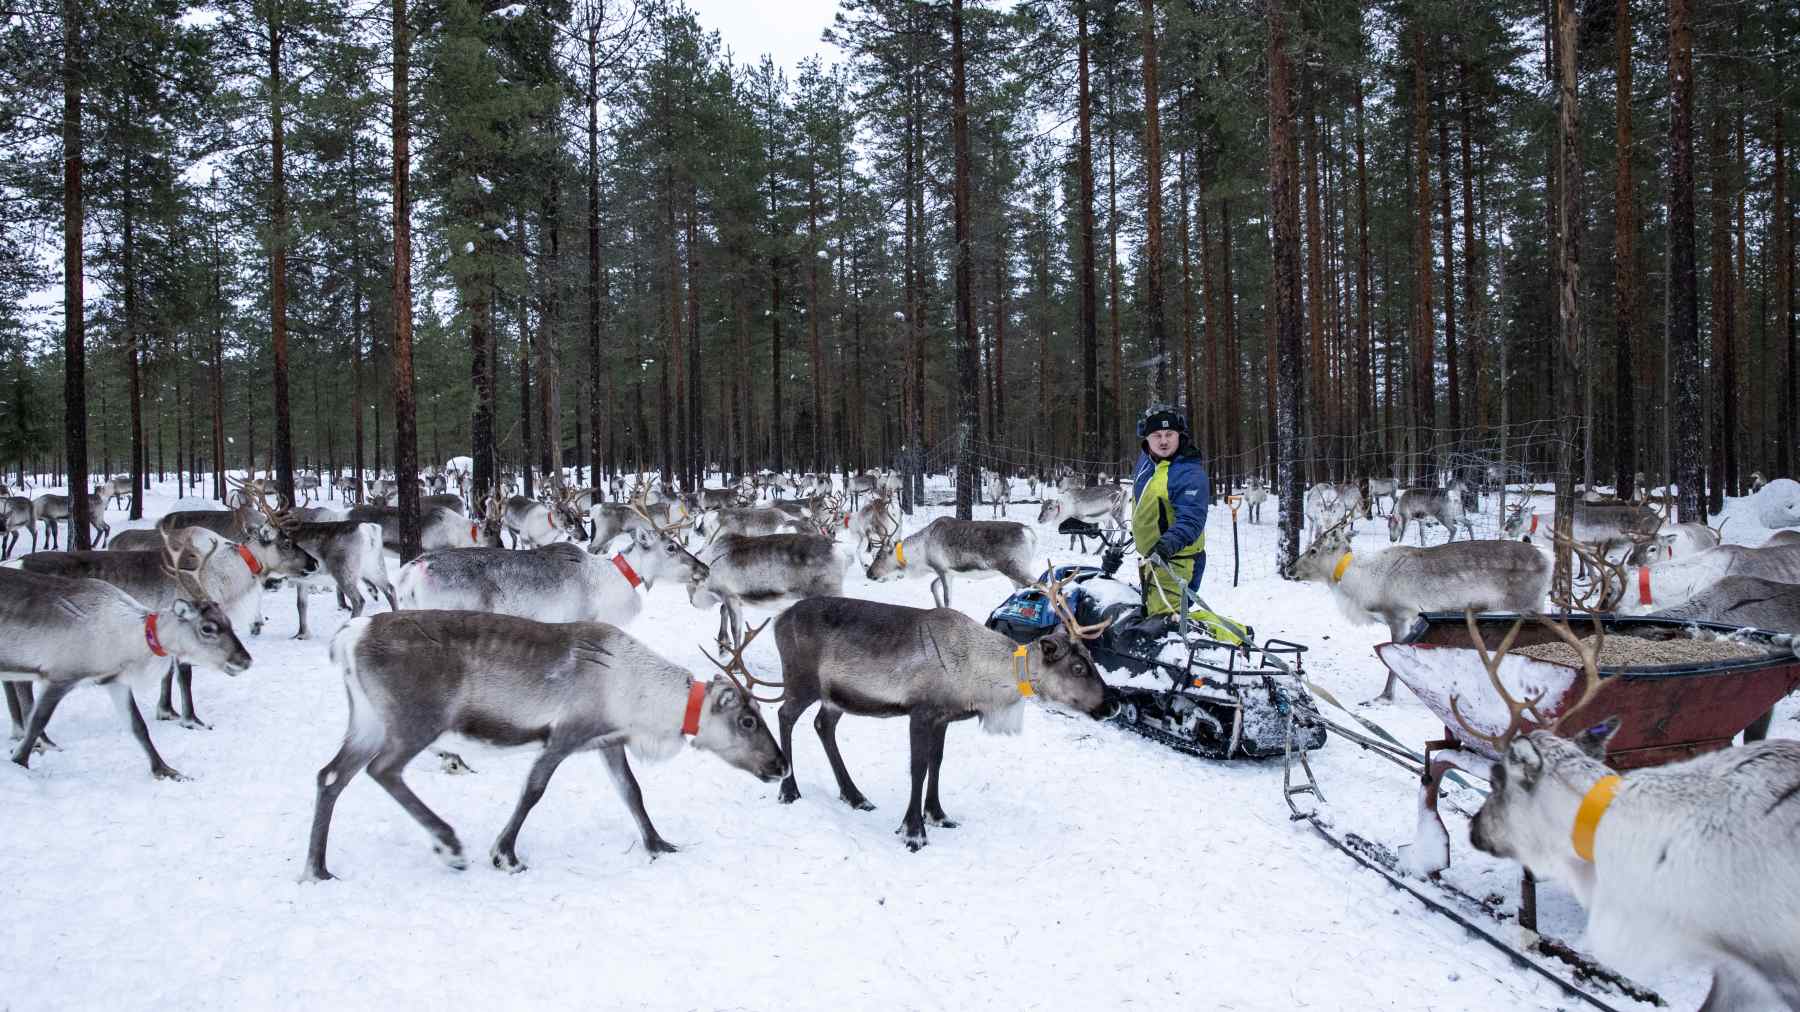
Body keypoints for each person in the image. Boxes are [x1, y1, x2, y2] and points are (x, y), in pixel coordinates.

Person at [1131, 404, 1209, 616]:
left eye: (1169, 434)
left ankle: (1233, 641)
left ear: (1179, 434)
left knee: (1167, 626)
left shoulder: (1188, 473)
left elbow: (1191, 520)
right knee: (1154, 618)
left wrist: (1165, 546)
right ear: (1146, 438)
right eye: (1157, 435)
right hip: (1151, 560)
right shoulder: (1148, 462)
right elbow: (1148, 508)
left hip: (1176, 563)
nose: (1164, 441)